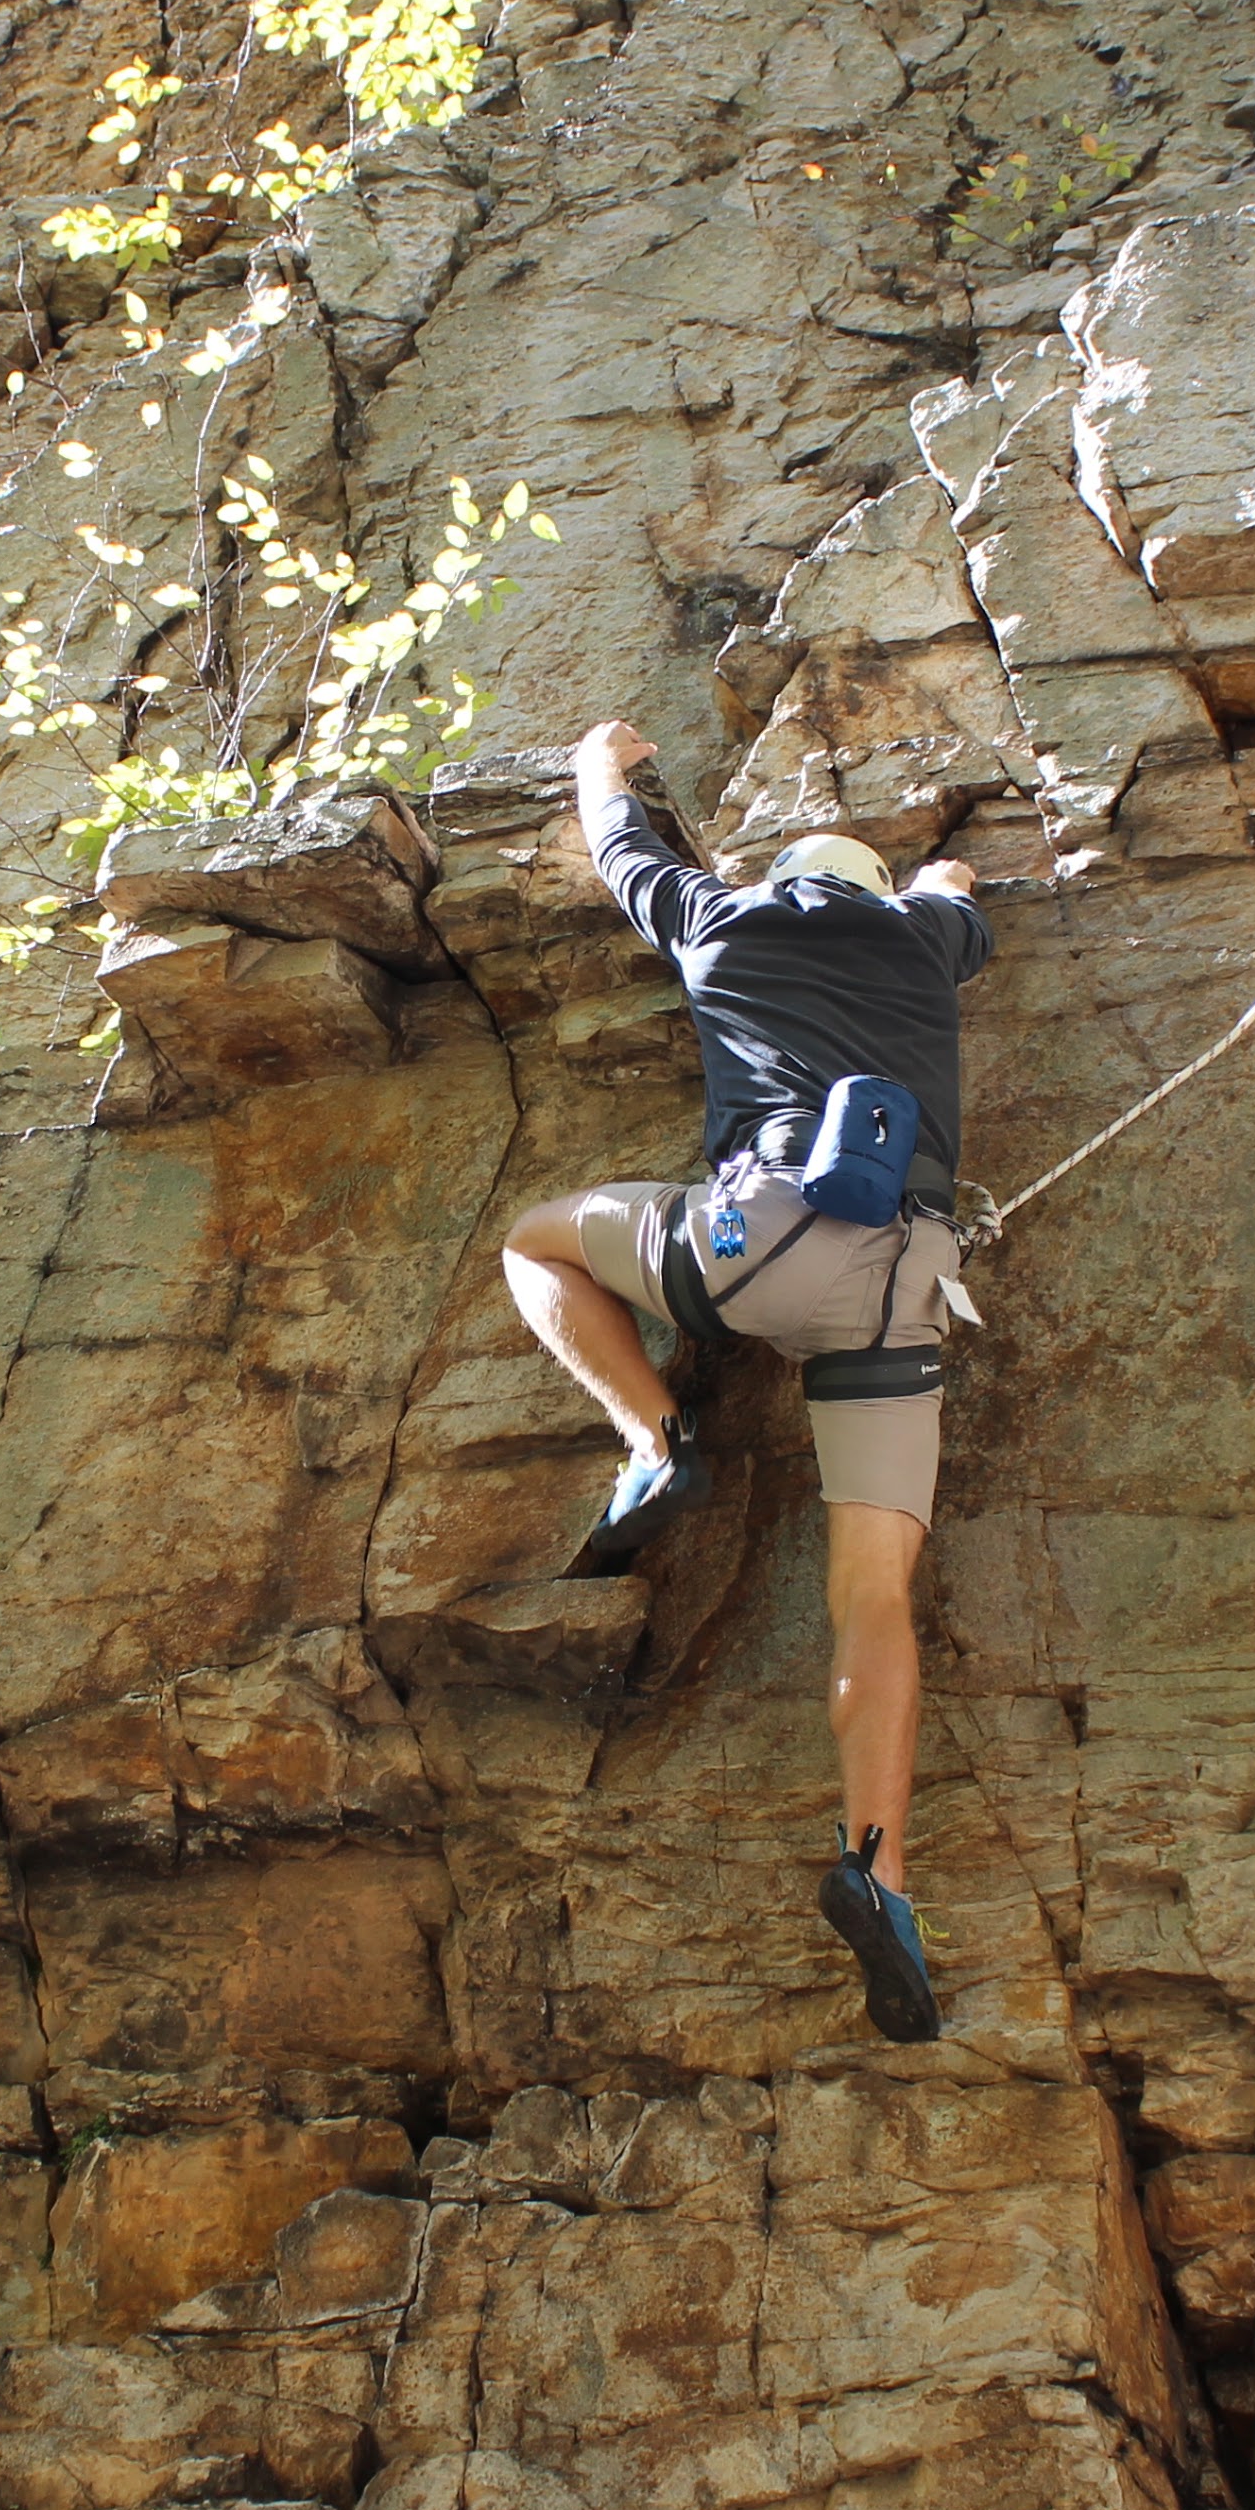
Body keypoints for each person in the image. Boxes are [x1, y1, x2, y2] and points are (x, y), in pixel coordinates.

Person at [495, 716, 994, 2043]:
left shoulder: (718, 916)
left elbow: (613, 837)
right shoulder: (920, 940)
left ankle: (654, 1437)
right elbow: (956, 897)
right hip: (899, 1282)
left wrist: (601, 751)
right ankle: (876, 1872)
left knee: (534, 1238)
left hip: (752, 1243)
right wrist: (938, 882)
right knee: (871, 1595)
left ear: (783, 880)